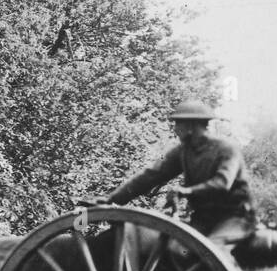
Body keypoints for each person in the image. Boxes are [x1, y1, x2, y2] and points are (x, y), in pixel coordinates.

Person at [94, 99, 256, 248]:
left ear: (190, 127)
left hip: (236, 217)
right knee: (177, 250)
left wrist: (186, 191)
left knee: (212, 250)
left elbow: (222, 183)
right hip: (203, 218)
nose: (175, 129)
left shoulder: (226, 149)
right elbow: (151, 176)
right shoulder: (183, 151)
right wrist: (112, 199)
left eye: (178, 124)